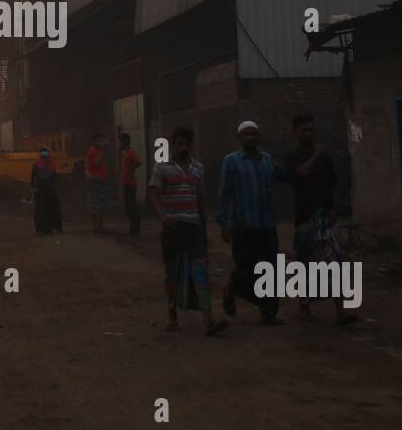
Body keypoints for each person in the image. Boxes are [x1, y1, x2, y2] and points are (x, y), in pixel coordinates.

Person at [149, 126, 227, 337]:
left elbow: (200, 201)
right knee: (172, 272)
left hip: (193, 226)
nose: (183, 148)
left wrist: (203, 232)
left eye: (186, 144)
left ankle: (208, 321)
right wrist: (163, 216)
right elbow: (154, 194)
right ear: (172, 144)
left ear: (191, 145)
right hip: (172, 227)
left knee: (200, 270)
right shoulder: (162, 167)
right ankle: (172, 316)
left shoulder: (198, 168)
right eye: (179, 144)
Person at [285, 113, 357, 325]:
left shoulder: (325, 157)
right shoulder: (293, 157)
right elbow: (302, 173)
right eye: (304, 130)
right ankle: (304, 306)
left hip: (324, 219)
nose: (308, 133)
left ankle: (341, 311)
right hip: (304, 219)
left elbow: (334, 184)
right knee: (305, 265)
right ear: (295, 132)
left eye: (311, 129)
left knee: (334, 261)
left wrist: (334, 210)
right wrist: (315, 155)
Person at [217, 120, 290, 325]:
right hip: (243, 226)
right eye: (246, 134)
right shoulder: (231, 161)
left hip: (266, 225)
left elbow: (285, 176)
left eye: (253, 134)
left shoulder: (267, 160)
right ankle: (232, 287)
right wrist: (224, 224)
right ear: (239, 138)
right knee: (246, 272)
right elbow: (224, 194)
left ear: (259, 137)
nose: (250, 137)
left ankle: (269, 312)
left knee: (271, 271)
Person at [29, 147, 63, 235]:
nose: (44, 154)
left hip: (50, 189)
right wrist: (33, 187)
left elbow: (54, 176)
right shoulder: (36, 164)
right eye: (42, 152)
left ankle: (52, 228)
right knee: (40, 210)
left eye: (46, 152)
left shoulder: (52, 164)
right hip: (40, 189)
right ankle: (40, 229)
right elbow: (33, 177)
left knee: (52, 208)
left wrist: (54, 184)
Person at [119, 132, 142, 235]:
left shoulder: (131, 152)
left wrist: (130, 170)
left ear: (123, 142)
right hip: (127, 183)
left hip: (130, 183)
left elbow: (138, 162)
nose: (119, 144)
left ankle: (135, 229)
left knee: (132, 206)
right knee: (129, 206)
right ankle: (133, 228)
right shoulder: (127, 153)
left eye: (120, 142)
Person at [85, 133, 108, 232]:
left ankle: (100, 226)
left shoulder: (98, 150)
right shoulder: (93, 150)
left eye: (102, 140)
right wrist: (103, 151)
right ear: (94, 141)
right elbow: (97, 163)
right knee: (96, 203)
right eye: (99, 141)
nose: (101, 143)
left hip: (100, 178)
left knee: (101, 202)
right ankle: (96, 227)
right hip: (95, 179)